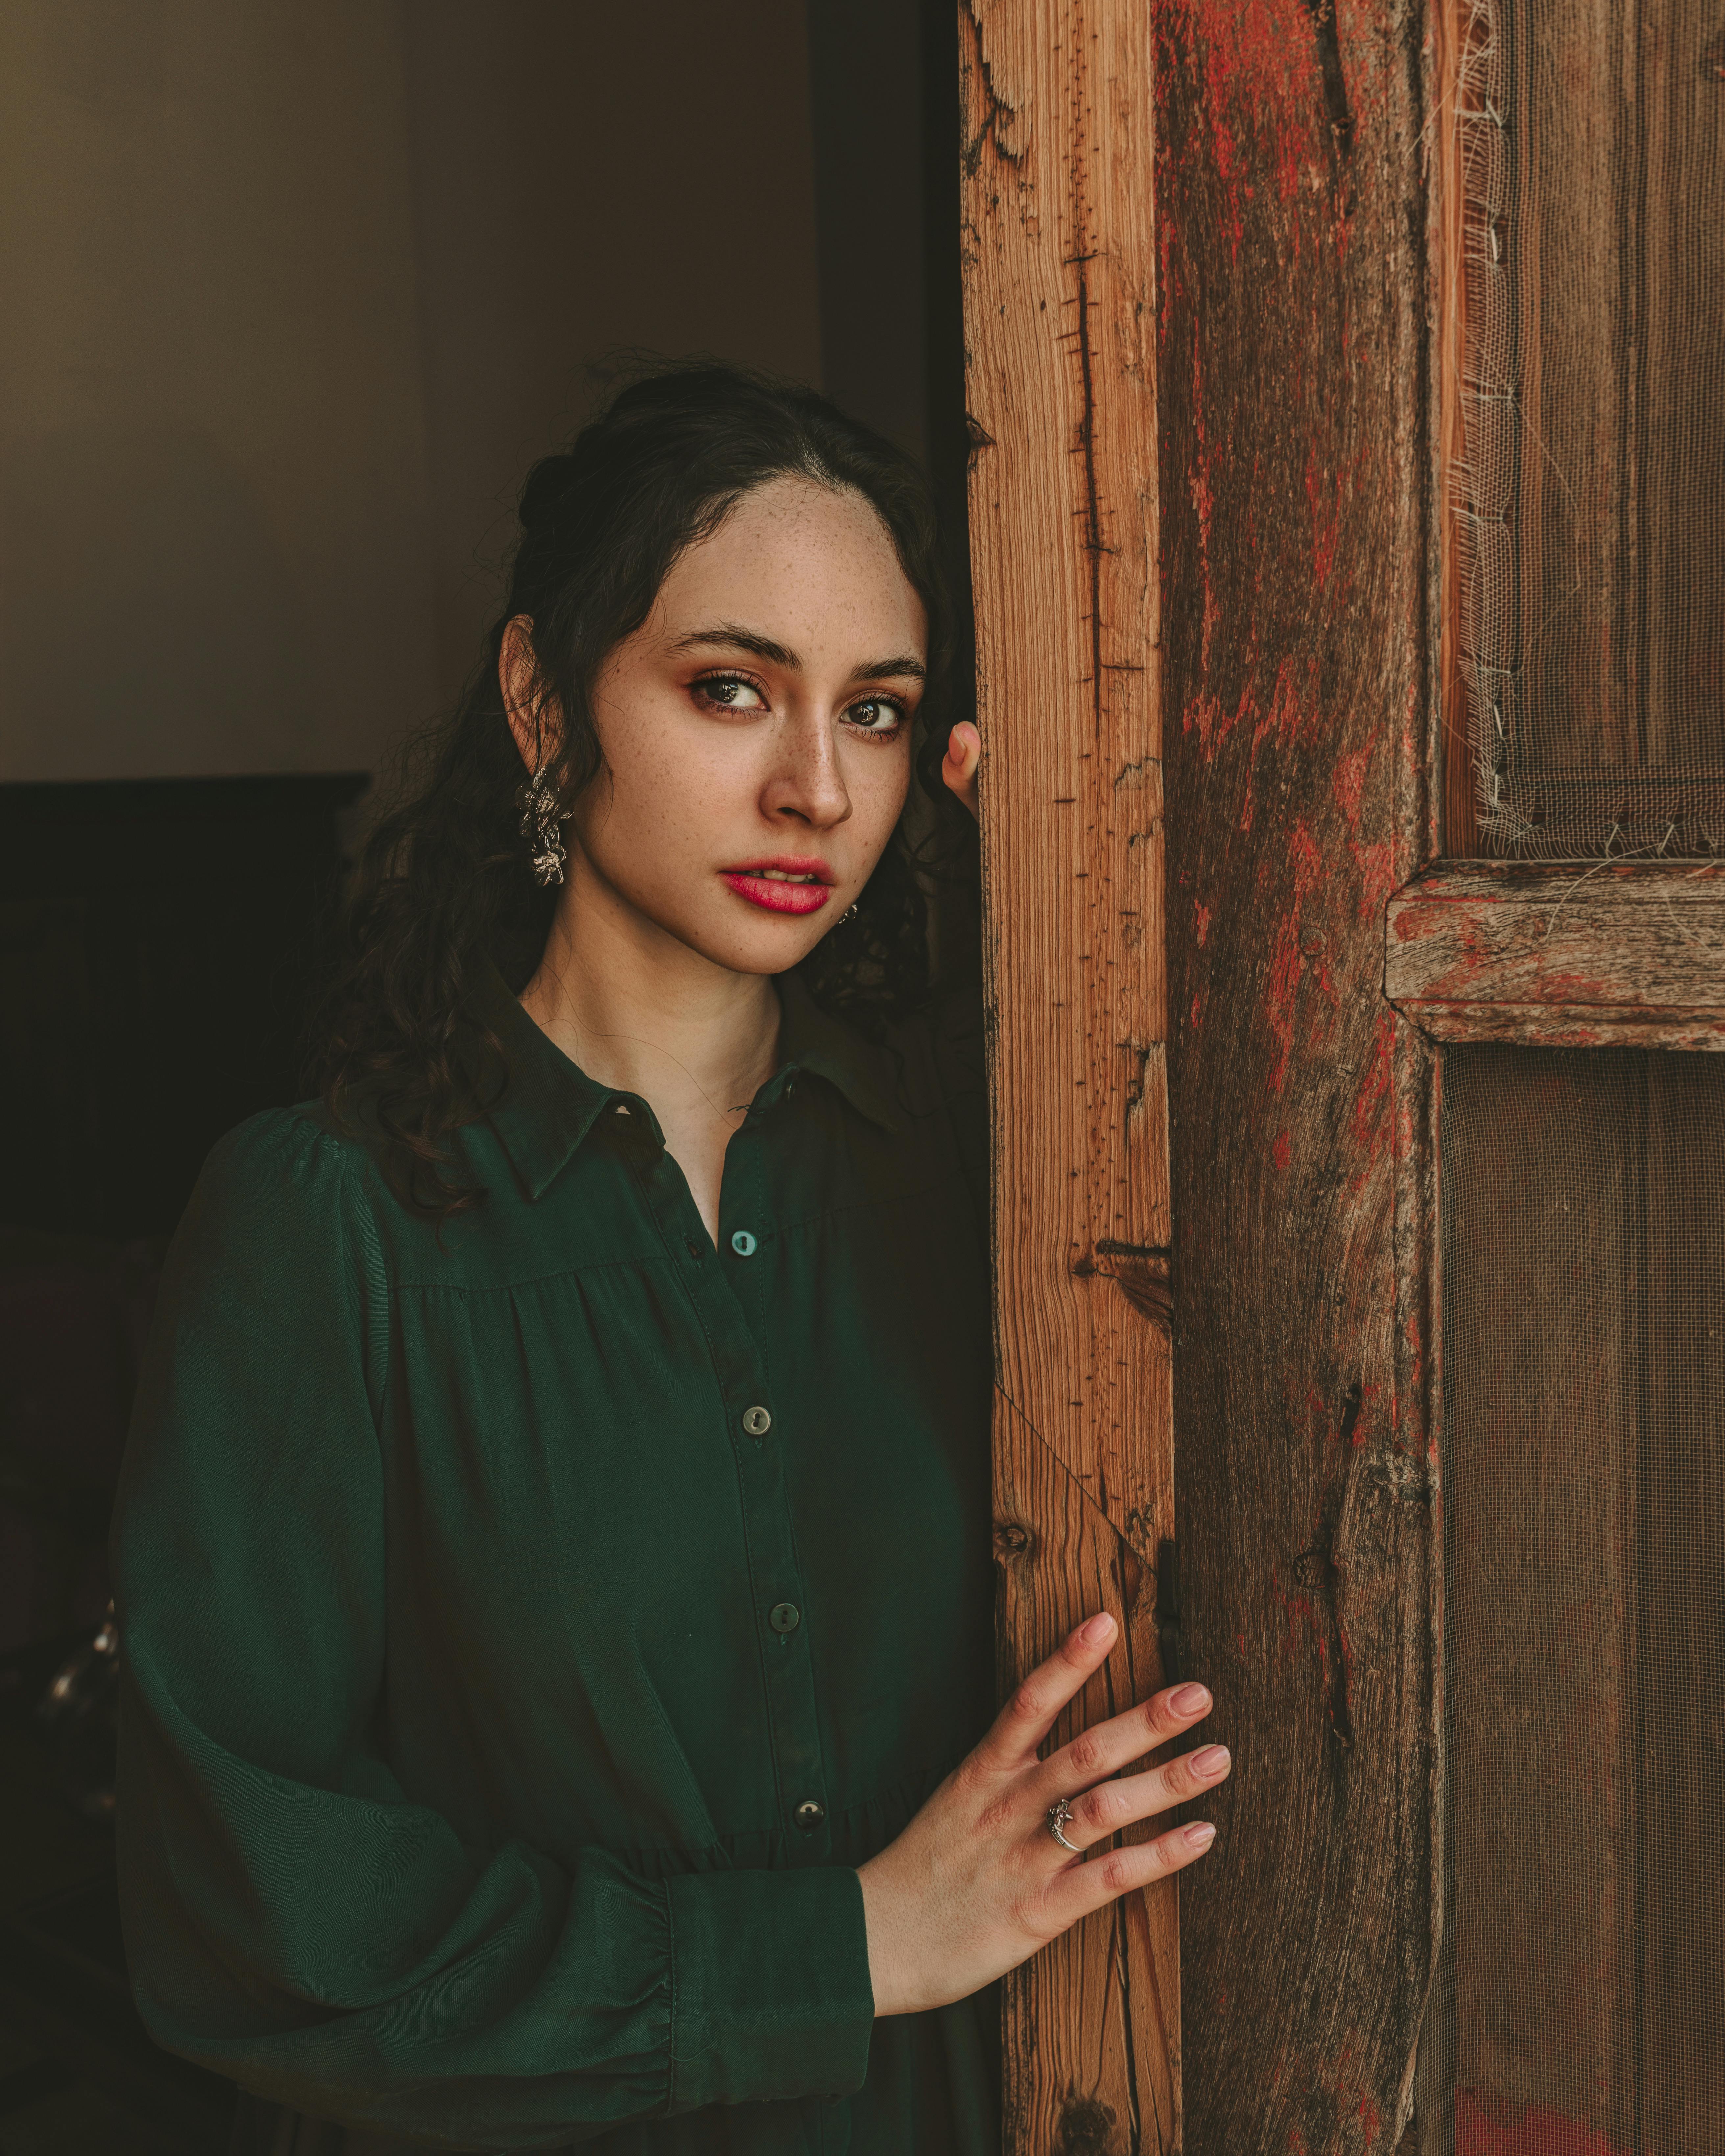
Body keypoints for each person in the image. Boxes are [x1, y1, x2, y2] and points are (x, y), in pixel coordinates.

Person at [112, 364, 1229, 2156]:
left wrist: (1093, 884)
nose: (815, 789)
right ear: (545, 701)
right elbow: (243, 1912)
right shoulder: (326, 1230)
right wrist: (845, 1947)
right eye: (732, 691)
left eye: (877, 714)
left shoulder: (995, 1160)